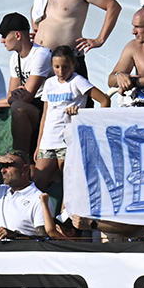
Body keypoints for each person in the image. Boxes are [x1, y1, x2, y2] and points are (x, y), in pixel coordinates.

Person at [35, 45, 107, 192]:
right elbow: (45, 115)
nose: (61, 72)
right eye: (56, 67)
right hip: (48, 140)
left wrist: (95, 126)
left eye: (65, 67)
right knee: (37, 185)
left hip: (67, 140)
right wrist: (39, 144)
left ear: (73, 64)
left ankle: (65, 214)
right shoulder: (49, 83)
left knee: (68, 185)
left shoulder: (78, 81)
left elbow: (104, 100)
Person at [0, 151, 68, 241]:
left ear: (24, 169)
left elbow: (45, 239)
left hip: (23, 258)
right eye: (2, 166)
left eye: (8, 166)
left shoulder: (38, 198)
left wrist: (15, 235)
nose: (2, 170)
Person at [0, 13, 47, 151]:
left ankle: (20, 157)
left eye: (4, 35)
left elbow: (27, 96)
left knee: (18, 107)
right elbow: (10, 97)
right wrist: (13, 95)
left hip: (47, 109)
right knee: (17, 106)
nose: (2, 40)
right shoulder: (15, 58)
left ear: (18, 35)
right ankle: (22, 160)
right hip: (34, 108)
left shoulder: (41, 55)